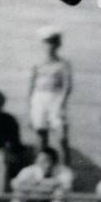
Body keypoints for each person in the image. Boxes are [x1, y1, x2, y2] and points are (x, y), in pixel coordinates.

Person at [27, 27, 72, 163]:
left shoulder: (63, 64)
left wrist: (60, 104)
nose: (50, 46)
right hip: (38, 99)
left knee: (61, 138)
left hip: (55, 99)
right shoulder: (36, 64)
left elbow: (67, 86)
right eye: (47, 43)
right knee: (41, 137)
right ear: (43, 44)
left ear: (58, 45)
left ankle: (66, 172)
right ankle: (40, 170)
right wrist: (30, 107)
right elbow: (31, 86)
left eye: (53, 43)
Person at [9, 146, 75, 202]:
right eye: (40, 160)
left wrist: (35, 183)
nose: (44, 163)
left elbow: (65, 186)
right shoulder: (30, 170)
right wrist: (50, 184)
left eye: (47, 160)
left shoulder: (64, 170)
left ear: (54, 161)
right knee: (18, 196)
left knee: (59, 195)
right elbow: (15, 184)